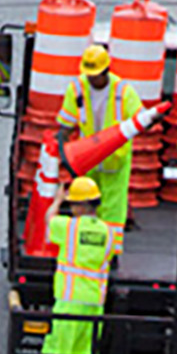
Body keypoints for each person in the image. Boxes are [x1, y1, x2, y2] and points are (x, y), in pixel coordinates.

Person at [24, 176, 116, 354]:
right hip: (94, 304)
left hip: (69, 300)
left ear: (78, 205)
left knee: (58, 349)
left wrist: (57, 200)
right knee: (83, 352)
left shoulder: (69, 227)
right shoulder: (108, 233)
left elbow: (48, 221)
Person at [57, 44, 143, 255]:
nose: (91, 79)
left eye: (95, 75)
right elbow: (66, 126)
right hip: (88, 159)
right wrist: (63, 154)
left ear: (106, 71)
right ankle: (83, 247)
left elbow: (140, 120)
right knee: (85, 205)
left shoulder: (123, 92)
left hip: (115, 161)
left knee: (113, 208)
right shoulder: (77, 89)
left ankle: (111, 252)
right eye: (88, 75)